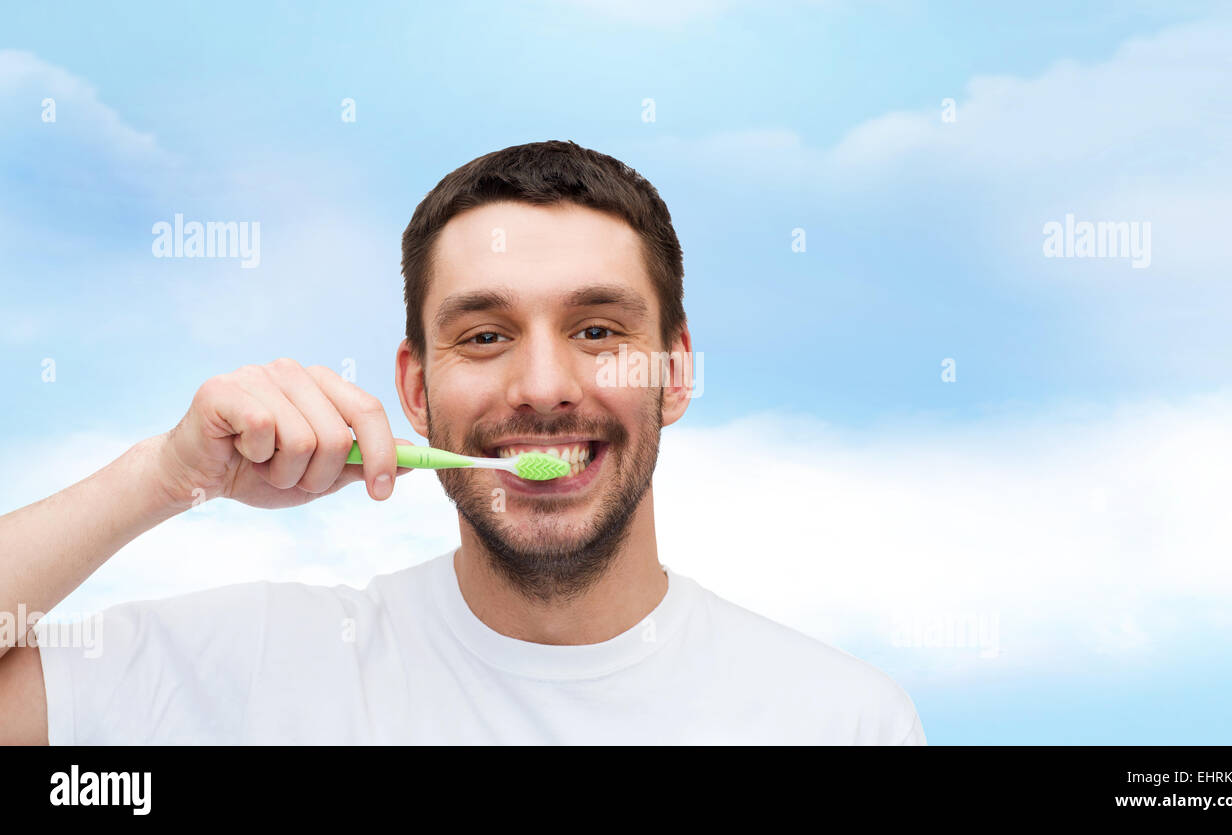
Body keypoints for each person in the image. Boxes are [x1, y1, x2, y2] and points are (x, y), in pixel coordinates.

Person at [0, 140, 926, 745]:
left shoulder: (840, 719)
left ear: (674, 372)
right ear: (415, 389)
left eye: (598, 330)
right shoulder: (255, 671)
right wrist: (161, 477)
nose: (543, 385)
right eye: (485, 336)